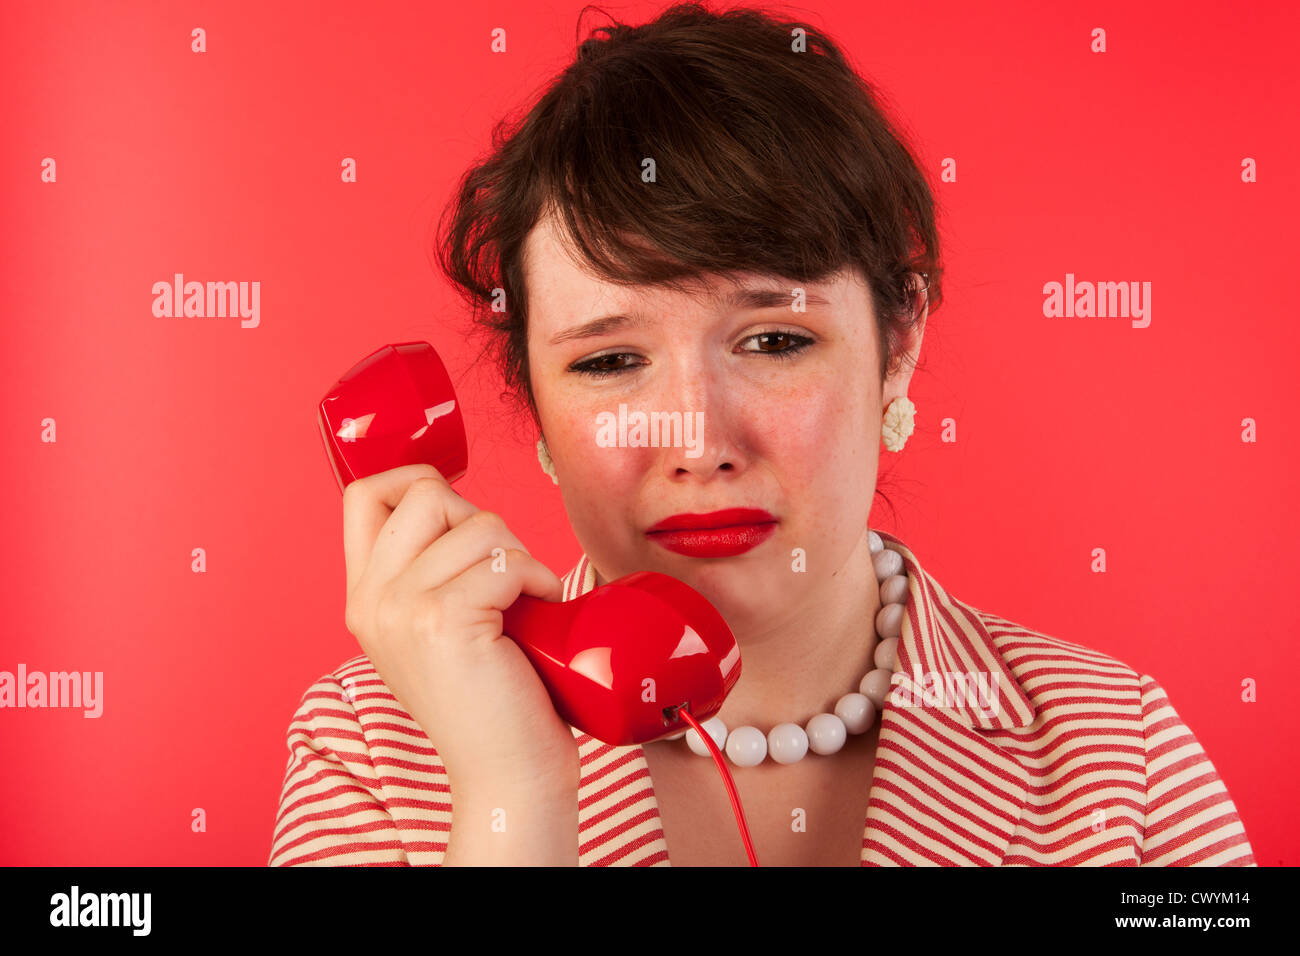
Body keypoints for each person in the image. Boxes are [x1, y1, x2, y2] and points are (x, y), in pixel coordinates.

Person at [269, 2, 1254, 866]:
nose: (697, 440)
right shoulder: (375, 746)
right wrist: (510, 806)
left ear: (896, 344)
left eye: (776, 339)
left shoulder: (1112, 749)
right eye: (609, 361)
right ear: (532, 402)